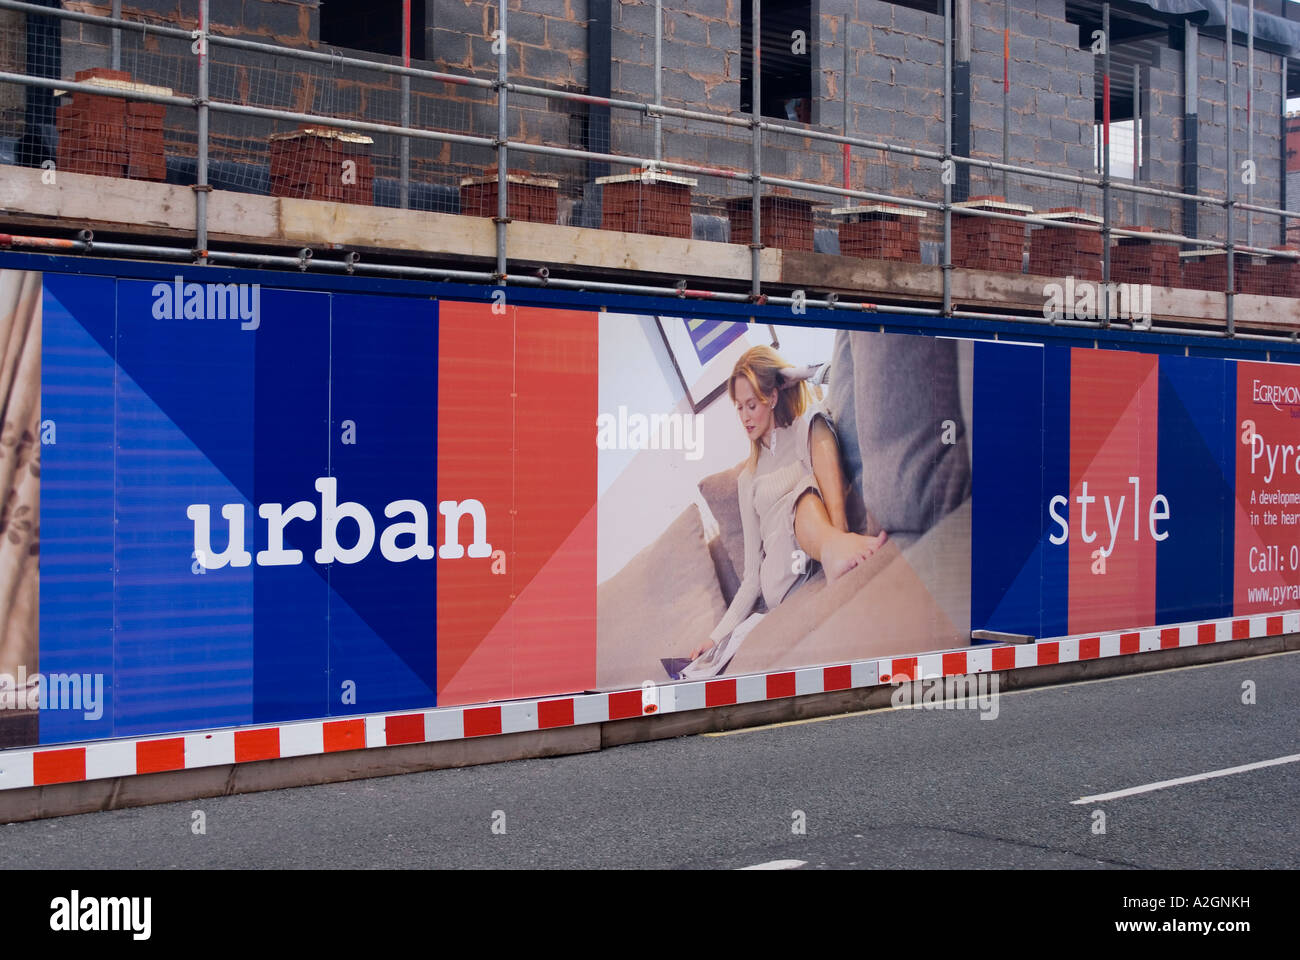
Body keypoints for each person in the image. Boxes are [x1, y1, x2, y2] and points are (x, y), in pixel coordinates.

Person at [683, 346, 887, 676]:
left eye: (752, 405)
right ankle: (837, 545)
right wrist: (715, 637)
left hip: (814, 553)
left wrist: (799, 374)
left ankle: (839, 539)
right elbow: (751, 577)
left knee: (816, 420)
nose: (745, 417)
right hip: (782, 575)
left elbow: (847, 374)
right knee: (800, 493)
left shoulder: (804, 429)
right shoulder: (748, 479)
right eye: (739, 408)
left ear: (773, 397)